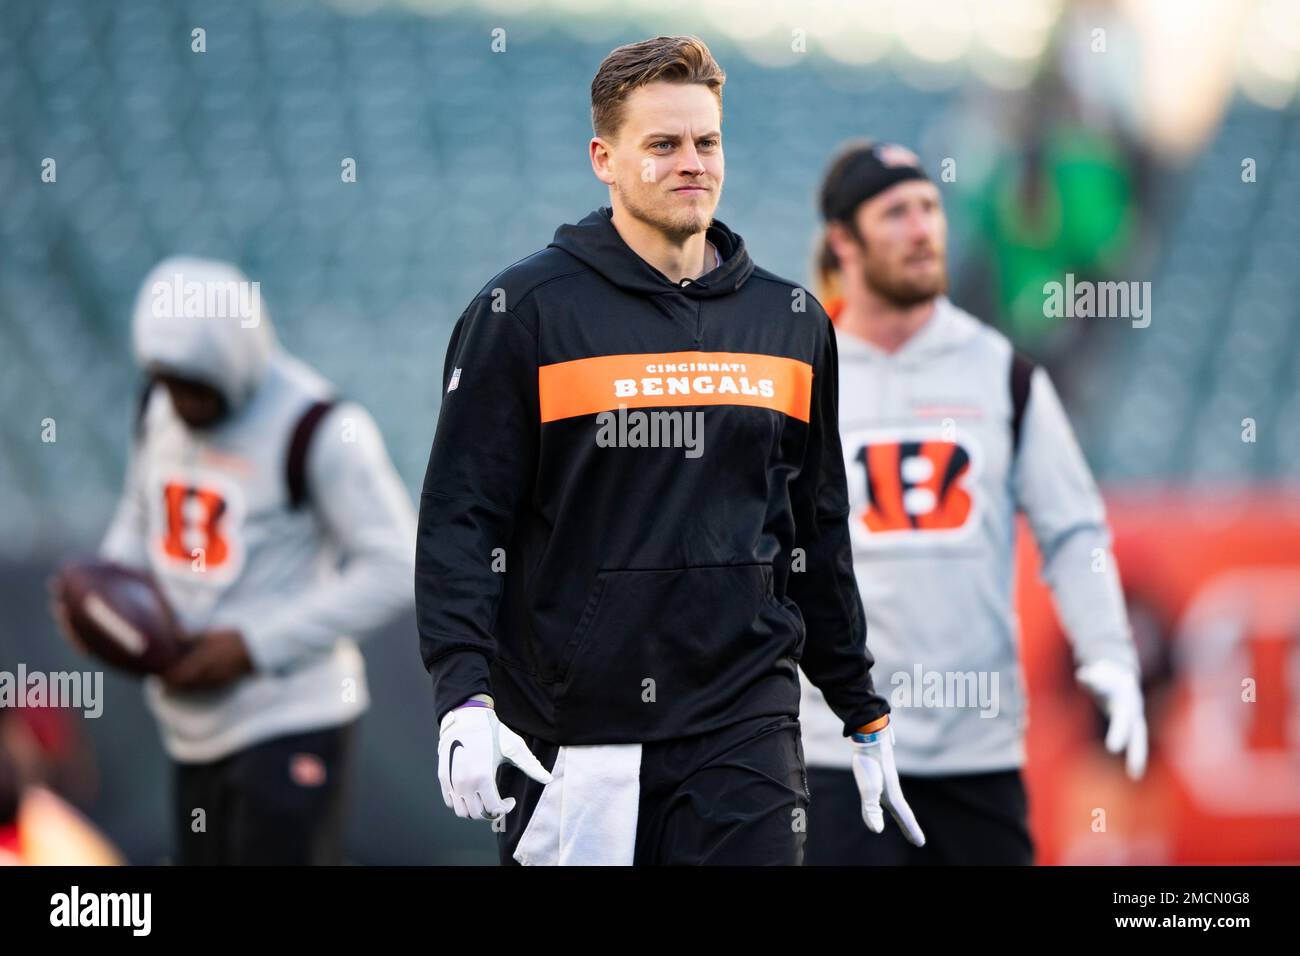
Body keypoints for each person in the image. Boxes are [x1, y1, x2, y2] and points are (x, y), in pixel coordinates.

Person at [416, 36, 923, 865]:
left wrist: (859, 705)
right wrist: (463, 696)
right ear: (603, 159)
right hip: (575, 738)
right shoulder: (524, 312)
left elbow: (816, 532)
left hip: (746, 725)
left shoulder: (790, 321)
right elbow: (462, 521)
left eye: (706, 142)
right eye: (663, 144)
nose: (692, 163)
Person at [800, 140, 1147, 865]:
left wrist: (1109, 651)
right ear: (844, 240)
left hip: (974, 759)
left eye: (930, 207)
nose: (924, 227)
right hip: (837, 755)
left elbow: (1074, 528)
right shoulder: (801, 377)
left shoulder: (1004, 374)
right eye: (896, 212)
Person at [54, 256, 417, 864]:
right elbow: (140, 521)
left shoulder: (318, 427)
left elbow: (396, 564)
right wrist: (99, 599)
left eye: (195, 384)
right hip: (189, 728)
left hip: (290, 720)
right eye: (169, 381)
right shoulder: (158, 408)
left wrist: (253, 645)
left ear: (238, 359)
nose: (183, 401)